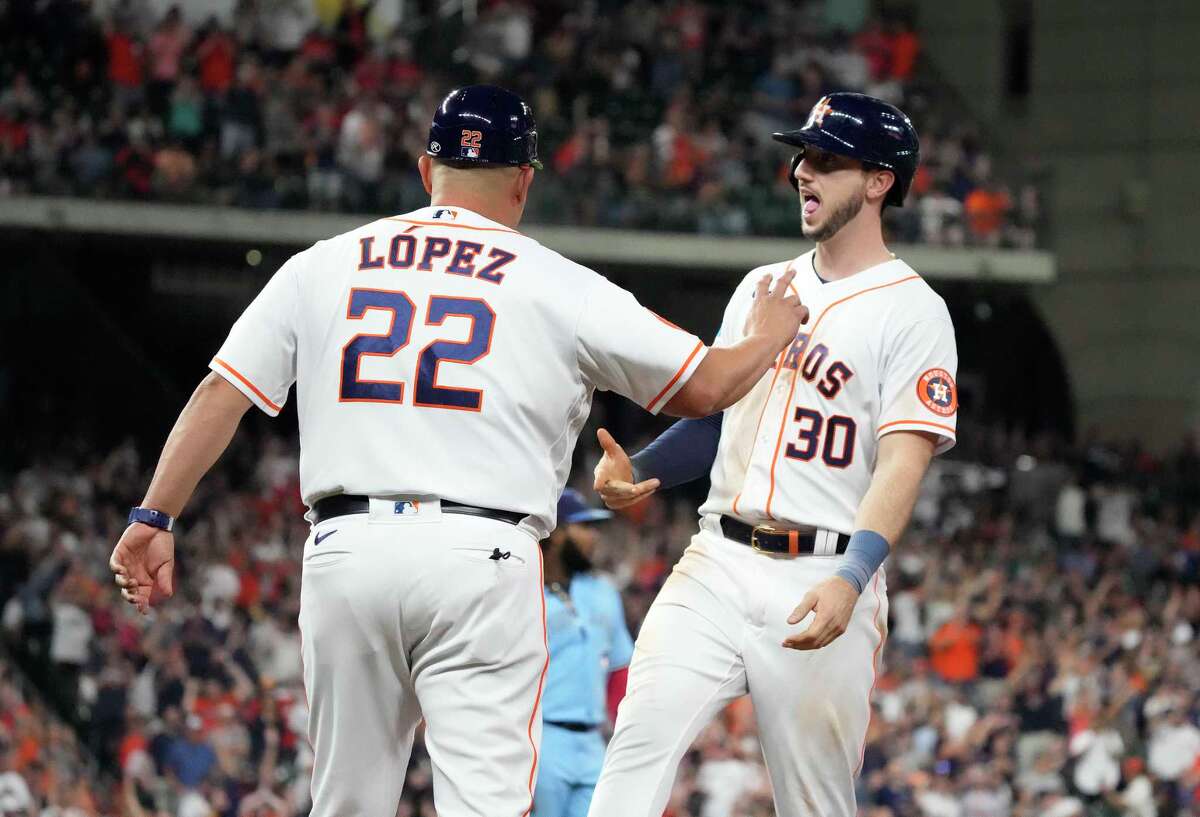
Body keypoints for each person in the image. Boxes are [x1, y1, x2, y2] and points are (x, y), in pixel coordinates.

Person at [108, 85, 807, 817]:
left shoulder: (325, 264)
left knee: (346, 804)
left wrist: (154, 515)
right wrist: (766, 331)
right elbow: (709, 387)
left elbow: (222, 393)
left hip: (347, 551)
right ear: (524, 179)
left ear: (424, 170)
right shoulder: (555, 282)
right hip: (482, 554)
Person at [587, 93, 959, 817]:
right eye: (800, 156)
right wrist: (642, 467)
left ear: (880, 180)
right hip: (717, 560)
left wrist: (853, 578)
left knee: (814, 804)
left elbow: (903, 464)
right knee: (636, 743)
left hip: (822, 574)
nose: (801, 172)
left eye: (826, 159)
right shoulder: (763, 286)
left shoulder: (914, 310)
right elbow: (721, 421)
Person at [533, 489, 631, 817]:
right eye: (584, 527)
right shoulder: (524, 593)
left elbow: (620, 666)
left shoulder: (603, 592)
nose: (594, 537)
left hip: (592, 742)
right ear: (557, 533)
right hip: (542, 738)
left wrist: (621, 731)